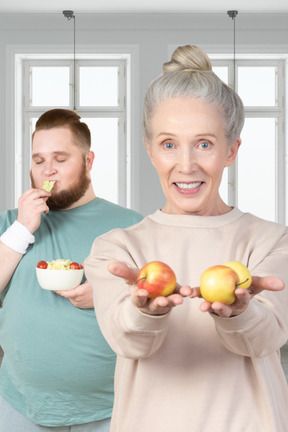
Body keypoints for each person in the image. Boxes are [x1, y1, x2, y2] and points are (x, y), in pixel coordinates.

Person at [84, 45, 288, 432]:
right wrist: (144, 311)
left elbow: (264, 339)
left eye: (205, 144)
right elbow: (129, 342)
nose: (186, 164)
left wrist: (242, 312)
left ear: (232, 150)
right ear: (149, 150)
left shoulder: (273, 241)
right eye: (168, 144)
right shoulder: (117, 249)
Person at [0, 109, 143, 432]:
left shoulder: (131, 225)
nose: (47, 170)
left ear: (88, 162)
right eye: (38, 161)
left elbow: (159, 303)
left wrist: (110, 294)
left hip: (110, 407)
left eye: (60, 159)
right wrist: (24, 227)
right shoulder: (10, 224)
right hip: (19, 405)